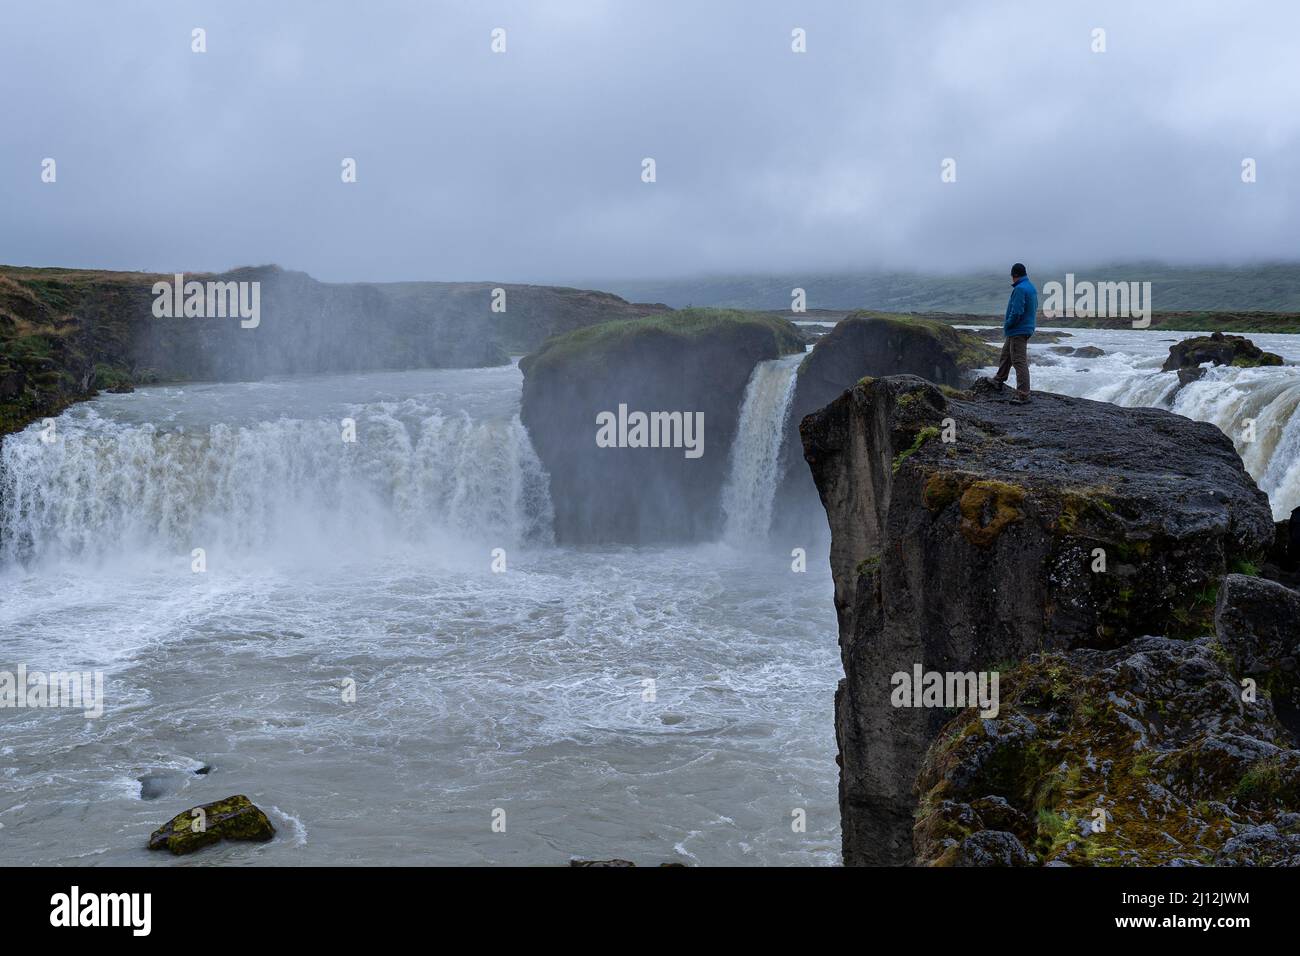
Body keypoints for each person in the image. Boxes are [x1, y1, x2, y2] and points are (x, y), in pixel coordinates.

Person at [994, 262, 1037, 402]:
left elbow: (1017, 311)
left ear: (1014, 275)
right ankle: (998, 380)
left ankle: (1023, 394)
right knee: (1006, 355)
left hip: (1018, 329)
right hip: (1022, 329)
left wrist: (1008, 324)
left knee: (1019, 361)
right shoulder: (1030, 287)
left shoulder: (1020, 289)